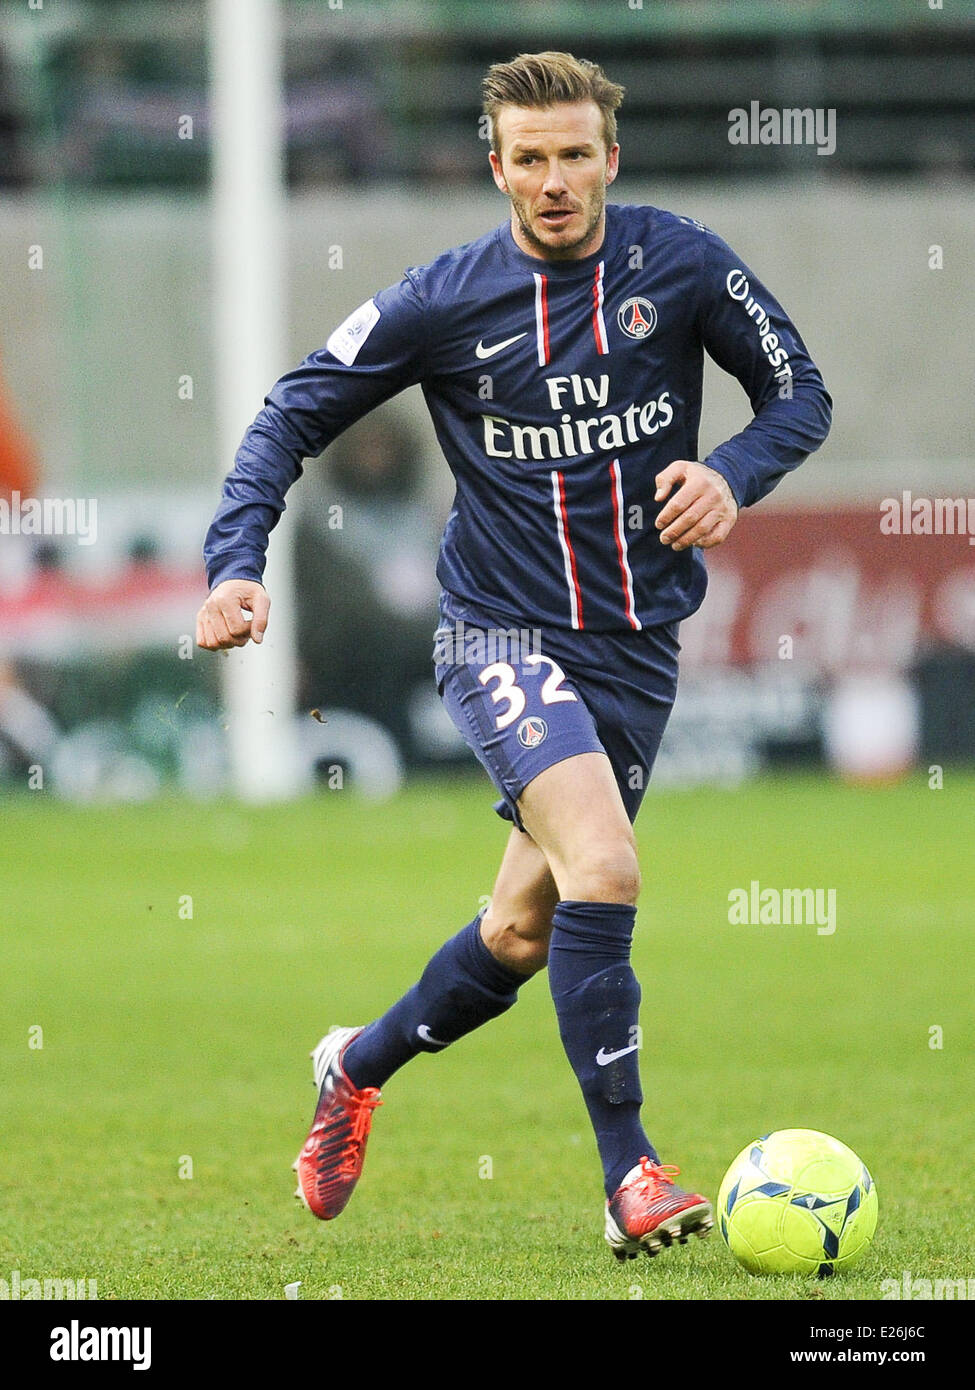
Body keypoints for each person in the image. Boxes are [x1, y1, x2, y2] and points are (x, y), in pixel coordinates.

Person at [197, 51, 831, 1261]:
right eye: (529, 158)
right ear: (496, 167)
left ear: (610, 158)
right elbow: (289, 413)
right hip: (499, 634)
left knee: (520, 935)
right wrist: (235, 562)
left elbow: (800, 395)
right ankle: (632, 1174)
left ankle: (355, 1065)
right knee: (608, 864)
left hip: (636, 649)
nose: (553, 180)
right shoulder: (443, 299)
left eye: (574, 154)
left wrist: (731, 473)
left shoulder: (683, 264)